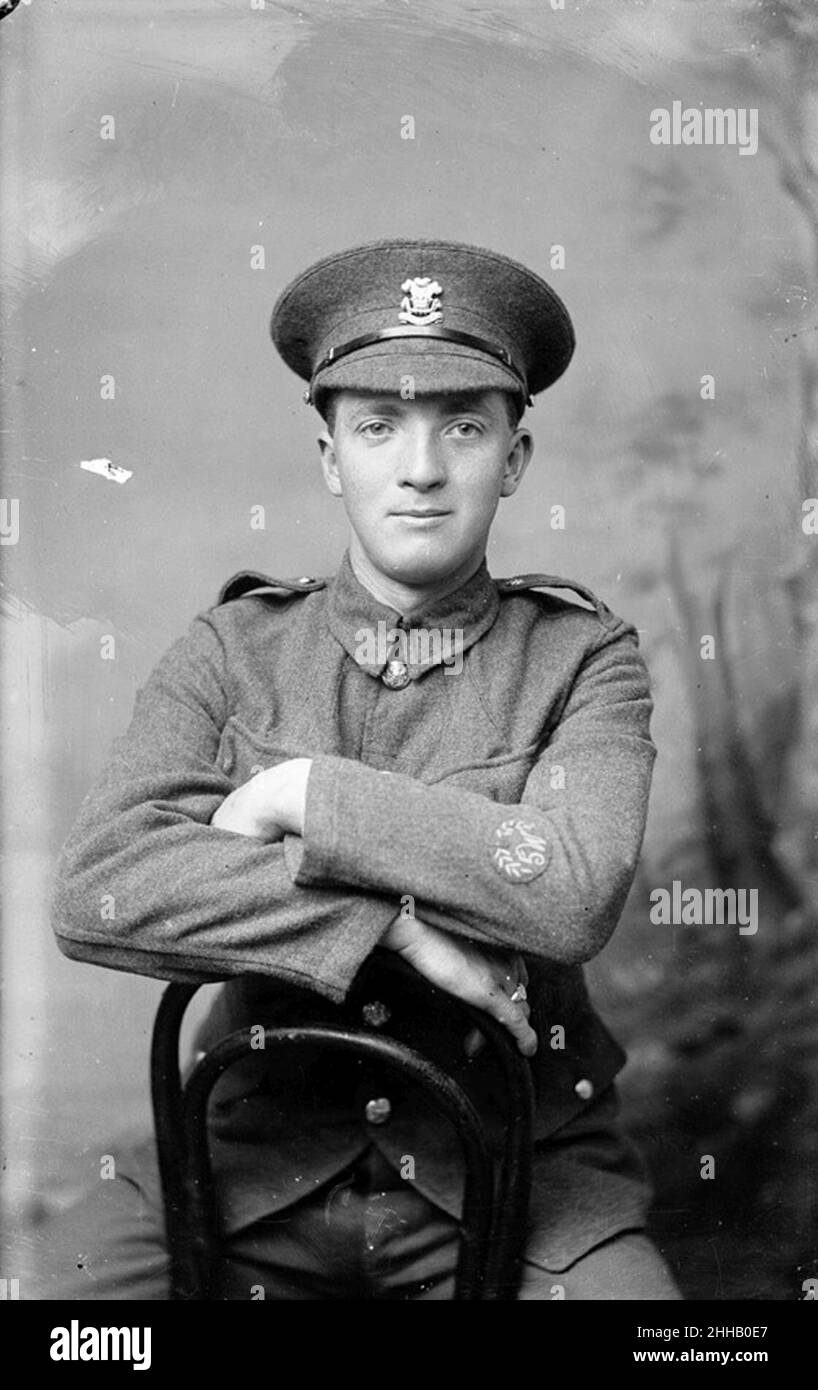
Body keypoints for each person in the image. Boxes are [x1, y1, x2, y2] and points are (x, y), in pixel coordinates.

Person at [43, 238, 680, 1300]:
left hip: (516, 1157)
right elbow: (100, 890)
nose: (420, 469)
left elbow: (568, 896)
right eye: (378, 427)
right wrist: (397, 926)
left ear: (514, 458)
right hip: (247, 1154)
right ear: (330, 457)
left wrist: (303, 795)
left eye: (463, 428)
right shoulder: (230, 649)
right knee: (49, 1307)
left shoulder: (584, 656)